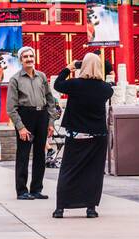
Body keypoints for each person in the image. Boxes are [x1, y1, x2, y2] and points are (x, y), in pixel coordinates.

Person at [51, 53, 113, 218]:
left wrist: (68, 68)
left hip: (76, 135)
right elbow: (110, 87)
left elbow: (57, 85)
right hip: (98, 136)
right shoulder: (105, 89)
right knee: (93, 172)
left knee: (68, 170)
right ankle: (90, 208)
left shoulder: (74, 85)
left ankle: (60, 208)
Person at [7, 46, 59, 201]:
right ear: (21, 60)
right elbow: (11, 107)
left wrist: (51, 122)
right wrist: (20, 127)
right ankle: (22, 191)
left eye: (31, 56)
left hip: (42, 115)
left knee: (40, 155)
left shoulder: (42, 77)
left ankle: (36, 189)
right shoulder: (15, 79)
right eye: (25, 57)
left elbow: (50, 100)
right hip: (25, 116)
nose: (29, 59)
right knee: (23, 155)